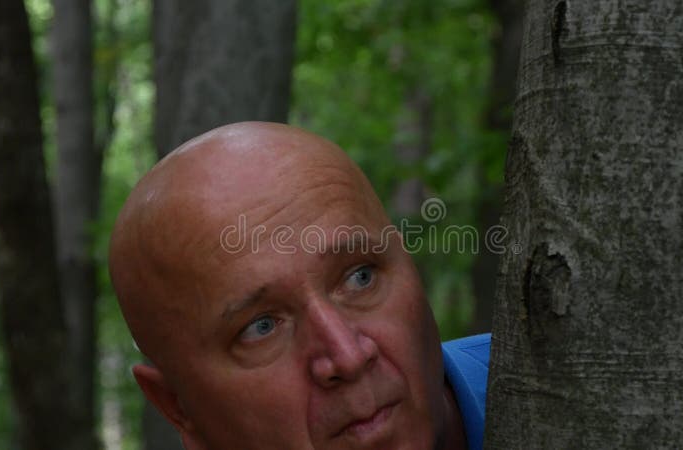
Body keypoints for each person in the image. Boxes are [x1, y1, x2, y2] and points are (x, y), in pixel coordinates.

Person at [108, 121, 490, 450]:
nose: (348, 357)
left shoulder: (547, 373)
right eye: (261, 327)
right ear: (178, 407)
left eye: (361, 277)